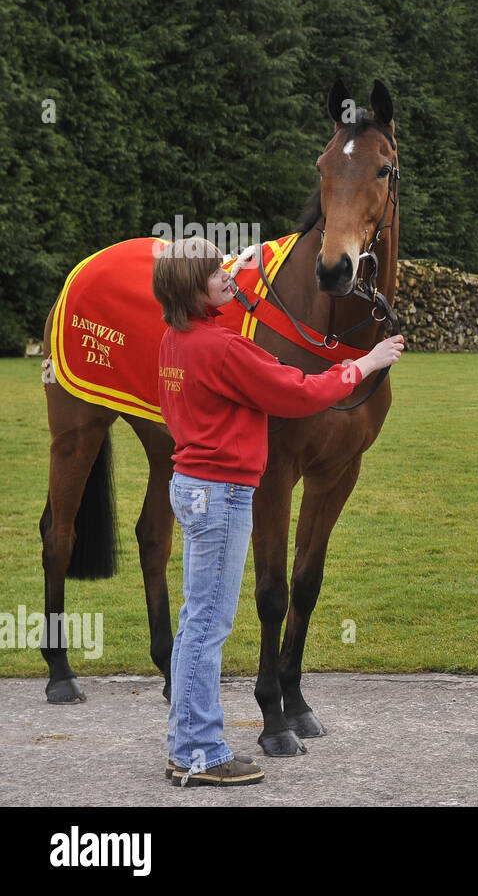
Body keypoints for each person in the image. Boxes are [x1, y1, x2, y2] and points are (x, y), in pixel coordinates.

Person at [153, 237, 404, 787]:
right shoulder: (223, 350)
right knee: (209, 625)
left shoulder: (176, 340)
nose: (232, 278)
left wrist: (242, 267)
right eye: (217, 275)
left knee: (197, 620)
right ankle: (200, 752)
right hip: (222, 494)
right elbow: (297, 391)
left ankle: (185, 741)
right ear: (194, 291)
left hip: (191, 485)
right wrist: (365, 363)